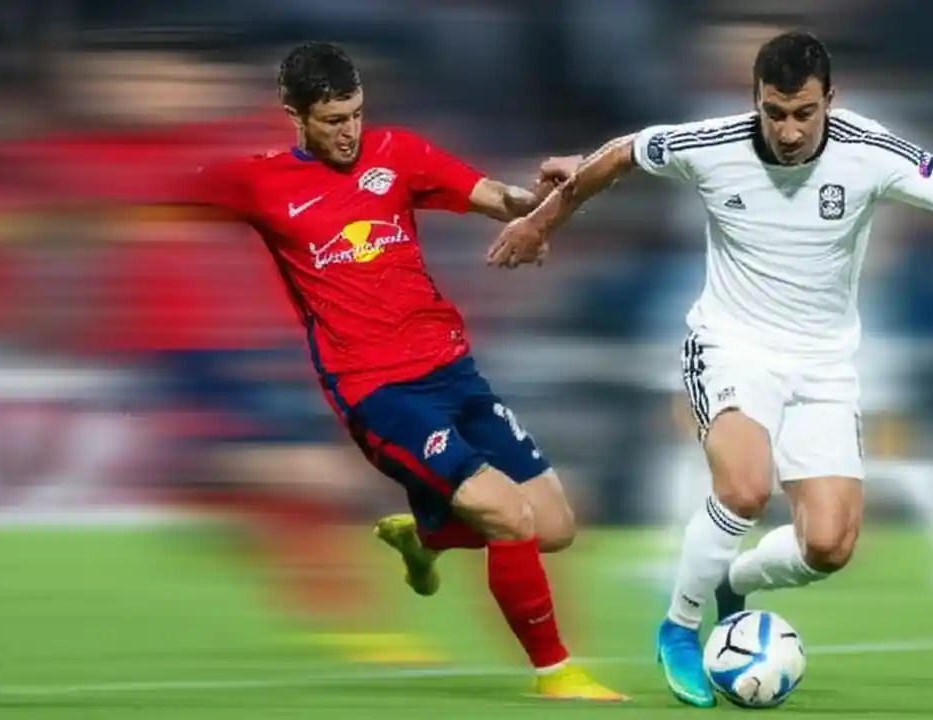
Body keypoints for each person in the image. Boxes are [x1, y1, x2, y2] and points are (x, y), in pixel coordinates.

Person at [488, 29, 933, 707]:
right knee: (745, 489)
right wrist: (541, 223)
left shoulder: (872, 151)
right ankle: (679, 627)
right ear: (755, 100)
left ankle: (730, 577)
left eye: (803, 113)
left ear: (829, 100)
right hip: (730, 345)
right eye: (773, 112)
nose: (787, 129)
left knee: (829, 545)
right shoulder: (710, 144)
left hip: (826, 365)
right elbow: (619, 156)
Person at [181, 41, 622, 701]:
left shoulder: (399, 154)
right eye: (332, 120)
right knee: (508, 515)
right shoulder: (258, 180)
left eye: (355, 114)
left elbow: (499, 198)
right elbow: (173, 193)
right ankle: (556, 673)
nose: (348, 131)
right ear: (293, 115)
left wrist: (546, 198)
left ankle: (426, 534)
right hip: (377, 390)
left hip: (454, 372)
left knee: (555, 527)